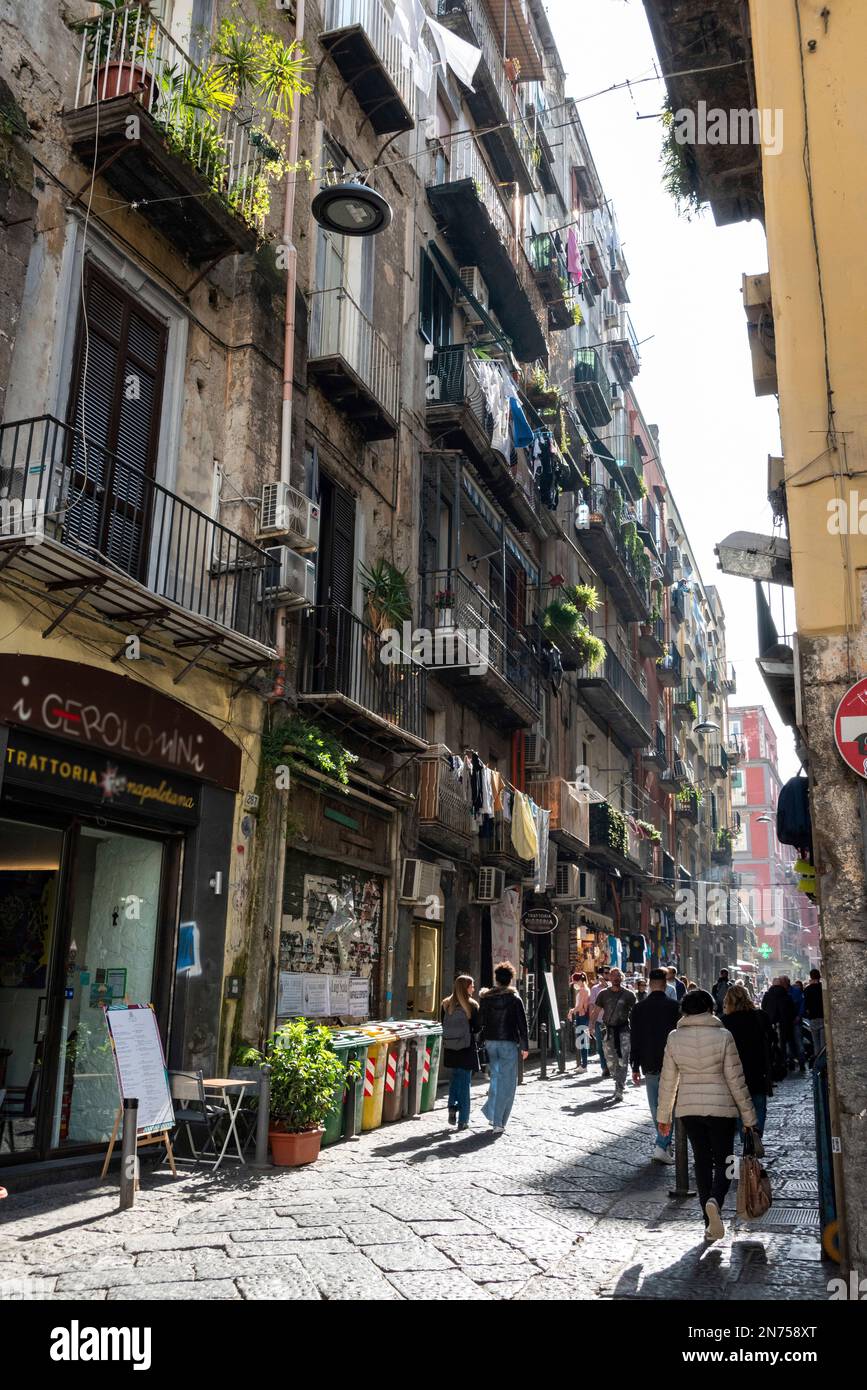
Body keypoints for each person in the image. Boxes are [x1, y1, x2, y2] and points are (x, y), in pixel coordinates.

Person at [657, 990, 757, 1243]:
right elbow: (736, 1079)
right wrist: (749, 1118)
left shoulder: (674, 1037)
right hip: (721, 1108)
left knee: (701, 1161)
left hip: (689, 1109)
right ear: (711, 1009)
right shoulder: (723, 1036)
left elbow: (668, 1080)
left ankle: (708, 1222)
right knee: (724, 1160)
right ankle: (716, 1201)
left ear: (685, 1011)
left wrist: (664, 1116)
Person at [629, 968, 681, 1163]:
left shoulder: (639, 1008)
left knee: (655, 1107)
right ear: (665, 983)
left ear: (650, 984)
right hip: (672, 1063)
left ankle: (662, 1142)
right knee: (669, 1105)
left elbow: (635, 1038)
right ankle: (662, 1144)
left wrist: (634, 1065)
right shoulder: (675, 1007)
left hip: (648, 1062)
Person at [478, 961, 529, 1135]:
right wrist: (525, 1046)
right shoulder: (515, 999)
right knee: (508, 1083)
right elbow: (523, 1024)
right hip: (508, 1043)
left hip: (491, 1043)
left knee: (496, 1079)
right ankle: (498, 1121)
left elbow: (480, 1021)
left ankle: (491, 1113)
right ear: (510, 980)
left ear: (496, 979)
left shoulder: (485, 998)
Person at [721, 982, 774, 1138]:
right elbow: (771, 1039)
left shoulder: (725, 1021)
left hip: (735, 1070)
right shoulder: (761, 1016)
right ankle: (756, 1136)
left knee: (740, 1106)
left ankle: (747, 1142)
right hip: (758, 1068)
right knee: (759, 1105)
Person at [441, 974, 481, 1131]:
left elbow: (442, 1023)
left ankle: (452, 1105)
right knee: (465, 1083)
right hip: (466, 1048)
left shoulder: (445, 1004)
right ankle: (463, 1120)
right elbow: (477, 1027)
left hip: (451, 1048)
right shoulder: (472, 1006)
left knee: (455, 1078)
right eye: (472, 986)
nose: (473, 988)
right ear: (466, 988)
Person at [593, 968, 636, 1101]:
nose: (616, 978)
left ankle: (620, 1088)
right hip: (608, 1030)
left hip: (624, 1030)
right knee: (610, 1061)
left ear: (622, 978)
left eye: (618, 976)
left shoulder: (629, 995)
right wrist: (590, 1026)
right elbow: (596, 1011)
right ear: (609, 978)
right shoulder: (603, 994)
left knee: (623, 1060)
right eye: (613, 976)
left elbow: (636, 1013)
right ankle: (617, 1080)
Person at [762, 976, 796, 1079]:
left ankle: (774, 1062)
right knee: (785, 1043)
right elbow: (792, 1009)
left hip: (771, 1023)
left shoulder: (767, 995)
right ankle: (786, 1061)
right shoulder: (786, 995)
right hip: (785, 1023)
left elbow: (764, 1007)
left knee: (772, 1043)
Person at [589, 966, 611, 1079]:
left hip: (611, 1021)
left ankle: (612, 1066)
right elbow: (592, 1005)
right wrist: (591, 1023)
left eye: (609, 973)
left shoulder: (613, 987)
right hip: (599, 1021)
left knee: (611, 1045)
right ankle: (604, 1068)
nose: (608, 975)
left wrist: (607, 986)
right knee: (600, 1046)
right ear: (601, 974)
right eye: (606, 973)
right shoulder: (594, 989)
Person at [567, 971, 592, 1072]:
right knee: (583, 1041)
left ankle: (584, 1065)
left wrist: (571, 1011)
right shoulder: (586, 989)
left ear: (580, 981)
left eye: (575, 982)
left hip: (582, 1016)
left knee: (582, 1041)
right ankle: (583, 1064)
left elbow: (579, 1006)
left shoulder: (583, 990)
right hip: (583, 1016)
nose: (574, 984)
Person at [803, 967, 825, 1061]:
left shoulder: (807, 990)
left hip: (813, 1018)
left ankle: (818, 1062)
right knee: (824, 1044)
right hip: (824, 1017)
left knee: (816, 1043)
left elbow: (806, 1005)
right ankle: (824, 1063)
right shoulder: (823, 988)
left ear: (811, 977)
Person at [786, 976, 806, 1073]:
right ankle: (793, 1063)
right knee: (792, 1043)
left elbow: (802, 1004)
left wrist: (799, 1016)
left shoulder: (795, 991)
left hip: (795, 1021)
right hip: (790, 1021)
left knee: (797, 1042)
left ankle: (800, 1063)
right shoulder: (786, 991)